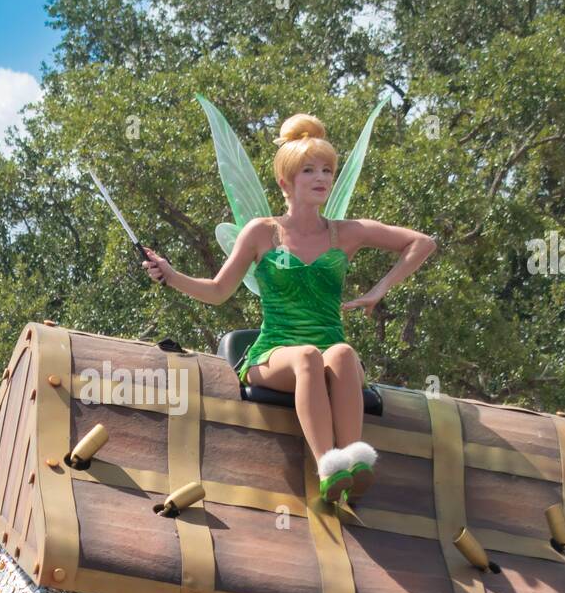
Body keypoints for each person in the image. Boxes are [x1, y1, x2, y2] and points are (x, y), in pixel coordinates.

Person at [141, 112, 436, 506]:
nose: (322, 178)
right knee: (308, 358)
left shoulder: (346, 232)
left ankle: (354, 463)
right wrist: (172, 275)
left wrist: (380, 288)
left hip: (330, 348)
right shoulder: (262, 232)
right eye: (309, 170)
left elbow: (422, 243)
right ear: (286, 182)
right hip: (274, 353)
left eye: (328, 170)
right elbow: (217, 290)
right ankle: (327, 467)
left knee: (344, 354)